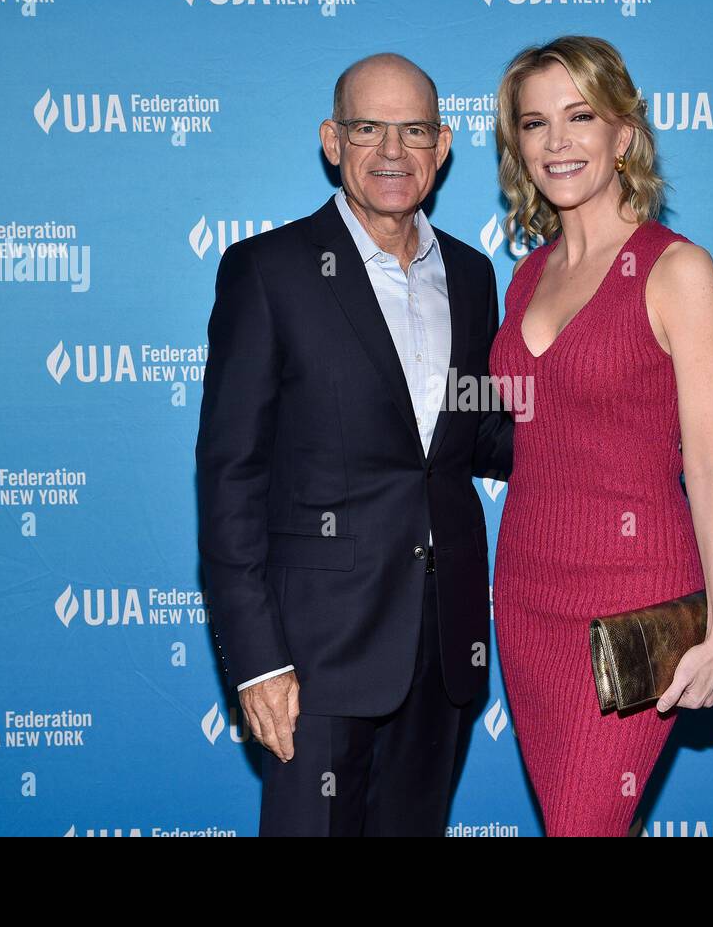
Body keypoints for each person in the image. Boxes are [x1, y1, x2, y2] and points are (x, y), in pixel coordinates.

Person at [195, 52, 513, 836]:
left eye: (412, 131)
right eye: (369, 129)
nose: (393, 153)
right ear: (332, 140)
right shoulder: (268, 271)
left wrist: (623, 417)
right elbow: (230, 476)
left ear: (443, 145)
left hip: (443, 645)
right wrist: (260, 660)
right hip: (316, 654)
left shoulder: (472, 276)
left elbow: (484, 436)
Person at [488, 35, 713, 836]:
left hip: (632, 606)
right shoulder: (526, 276)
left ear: (622, 134)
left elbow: (709, 464)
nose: (557, 142)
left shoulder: (678, 271)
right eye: (535, 124)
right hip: (528, 601)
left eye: (580, 116)